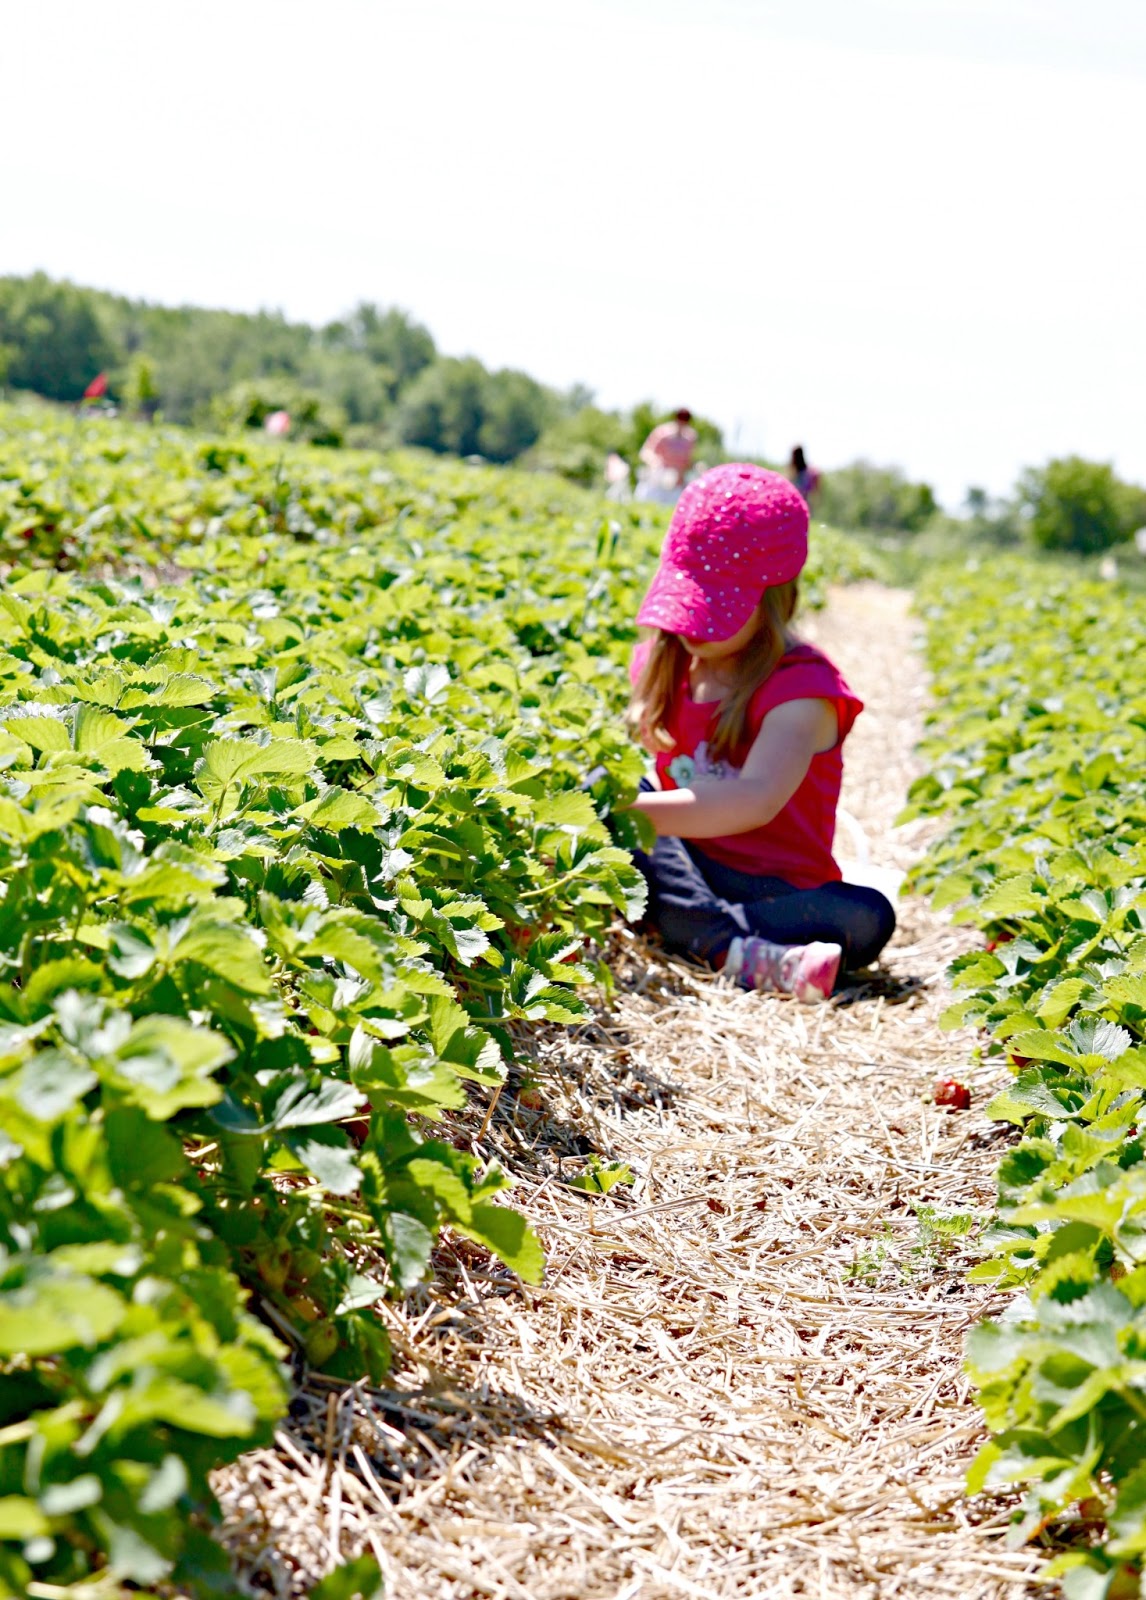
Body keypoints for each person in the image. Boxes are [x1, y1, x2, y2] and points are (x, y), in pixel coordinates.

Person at [625, 463, 895, 1001]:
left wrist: (632, 814)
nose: (691, 628)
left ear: (774, 598)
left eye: (714, 607)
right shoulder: (666, 663)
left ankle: (699, 931)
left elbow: (755, 799)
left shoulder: (802, 691)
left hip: (770, 887)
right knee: (598, 792)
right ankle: (731, 948)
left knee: (866, 919)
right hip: (683, 860)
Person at [635, 408, 697, 505]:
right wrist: (654, 462)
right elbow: (646, 451)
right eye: (680, 417)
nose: (682, 421)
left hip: (677, 483)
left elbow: (688, 460)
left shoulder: (690, 438)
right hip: (658, 479)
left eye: (685, 419)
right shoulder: (662, 432)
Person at [787, 444, 820, 509]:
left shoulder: (807, 472)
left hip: (799, 503)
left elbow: (815, 488)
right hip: (799, 503)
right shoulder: (795, 472)